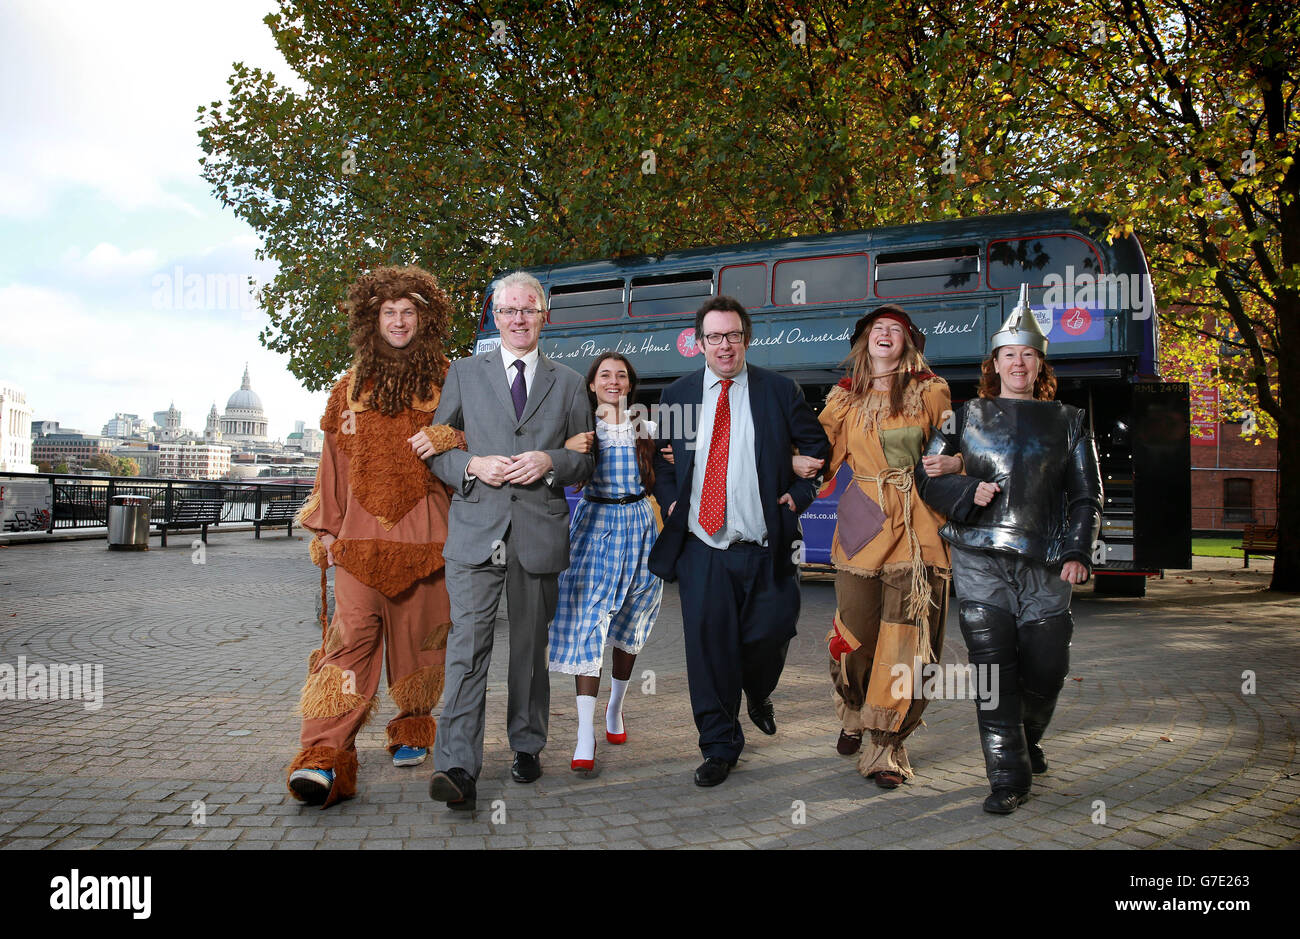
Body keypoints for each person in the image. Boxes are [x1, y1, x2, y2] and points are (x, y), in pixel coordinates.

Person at [916, 285, 1103, 814]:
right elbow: (926, 478)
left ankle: (1027, 736)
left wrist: (1078, 549)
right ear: (993, 363)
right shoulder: (962, 415)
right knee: (993, 668)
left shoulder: (1069, 420)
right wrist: (964, 490)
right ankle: (1008, 777)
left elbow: (1086, 494)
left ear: (1038, 363)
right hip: (979, 558)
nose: (1017, 363)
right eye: (1008, 355)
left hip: (1045, 563)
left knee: (1046, 669)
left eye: (1027, 354)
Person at [412, 270, 594, 812]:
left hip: (537, 534)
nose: (518, 319)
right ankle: (457, 766)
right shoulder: (465, 373)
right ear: (495, 317)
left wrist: (549, 461)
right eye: (508, 310)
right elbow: (437, 447)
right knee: (466, 650)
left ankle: (527, 743)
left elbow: (584, 461)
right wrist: (472, 463)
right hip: (474, 534)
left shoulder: (569, 382)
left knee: (529, 653)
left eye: (528, 310)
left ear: (545, 317)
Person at [288, 265, 465, 808]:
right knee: (345, 647)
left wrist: (451, 433)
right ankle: (323, 759)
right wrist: (328, 527)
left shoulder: (452, 379)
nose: (398, 320)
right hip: (359, 546)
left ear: (424, 317)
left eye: (408, 311)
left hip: (430, 544)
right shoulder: (348, 387)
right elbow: (333, 462)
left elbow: (478, 442)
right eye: (388, 312)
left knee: (422, 647)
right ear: (373, 318)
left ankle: (412, 728)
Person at [648, 295, 830, 787]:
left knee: (771, 635)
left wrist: (797, 496)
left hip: (764, 545)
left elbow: (818, 451)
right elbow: (664, 461)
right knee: (709, 651)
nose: (724, 345)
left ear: (745, 339)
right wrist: (669, 502)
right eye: (714, 336)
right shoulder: (679, 395)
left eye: (732, 335)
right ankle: (719, 745)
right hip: (702, 547)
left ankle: (758, 690)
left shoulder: (778, 391)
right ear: (699, 343)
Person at [816, 305, 954, 789]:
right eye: (879, 329)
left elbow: (957, 449)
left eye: (896, 330)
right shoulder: (843, 399)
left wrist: (955, 466)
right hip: (863, 522)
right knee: (854, 636)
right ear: (864, 341)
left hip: (918, 528)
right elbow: (819, 458)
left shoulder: (932, 392)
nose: (887, 335)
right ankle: (853, 710)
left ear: (909, 342)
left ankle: (886, 745)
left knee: (908, 643)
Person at [549, 353, 663, 775]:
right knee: (587, 623)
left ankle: (615, 709)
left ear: (629, 384)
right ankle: (584, 733)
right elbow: (556, 470)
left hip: (640, 526)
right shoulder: (580, 429)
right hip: (595, 525)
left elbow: (668, 477)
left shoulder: (646, 428)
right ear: (592, 385)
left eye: (621, 376)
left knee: (632, 623)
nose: (613, 382)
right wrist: (563, 449)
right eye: (604, 376)